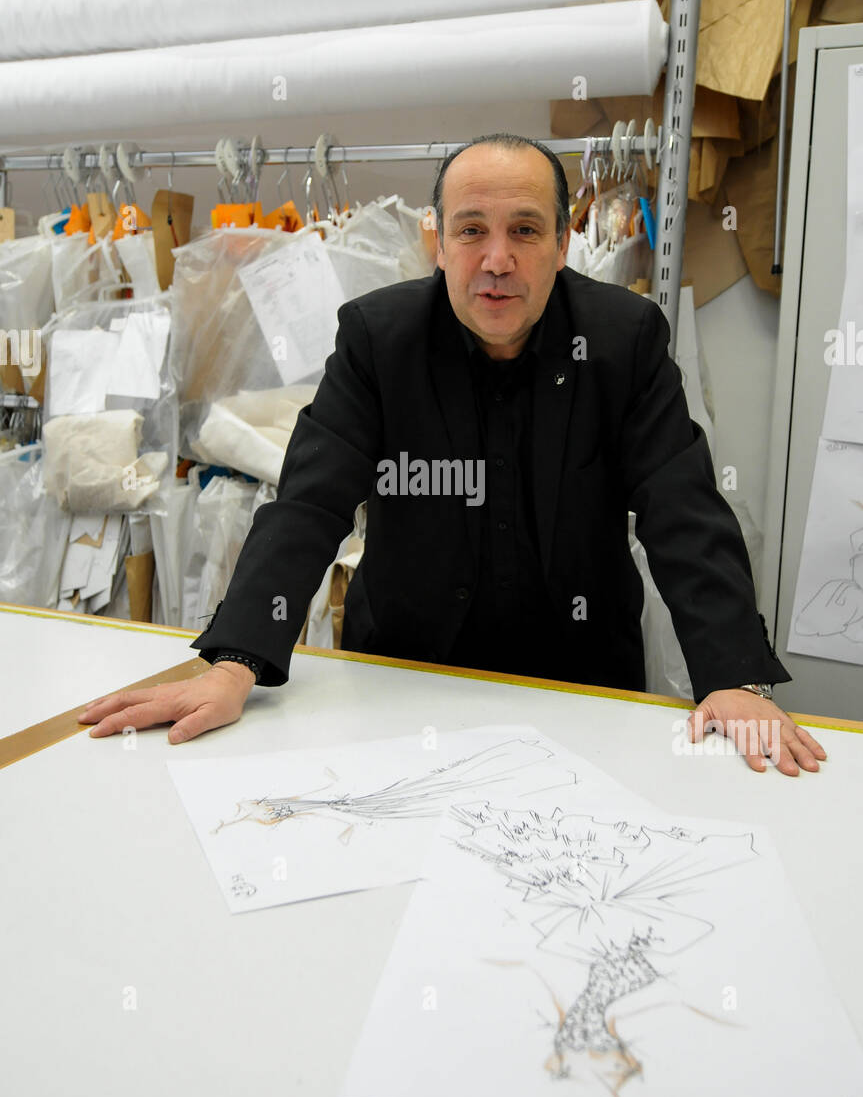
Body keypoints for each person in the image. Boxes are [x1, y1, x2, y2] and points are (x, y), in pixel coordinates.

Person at [79, 134, 827, 778]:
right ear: (437, 241)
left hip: (581, 687)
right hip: (404, 677)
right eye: (471, 230)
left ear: (563, 243)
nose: (496, 260)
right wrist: (235, 660)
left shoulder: (622, 339)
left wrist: (733, 678)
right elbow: (309, 500)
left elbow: (682, 508)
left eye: (525, 231)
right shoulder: (380, 339)